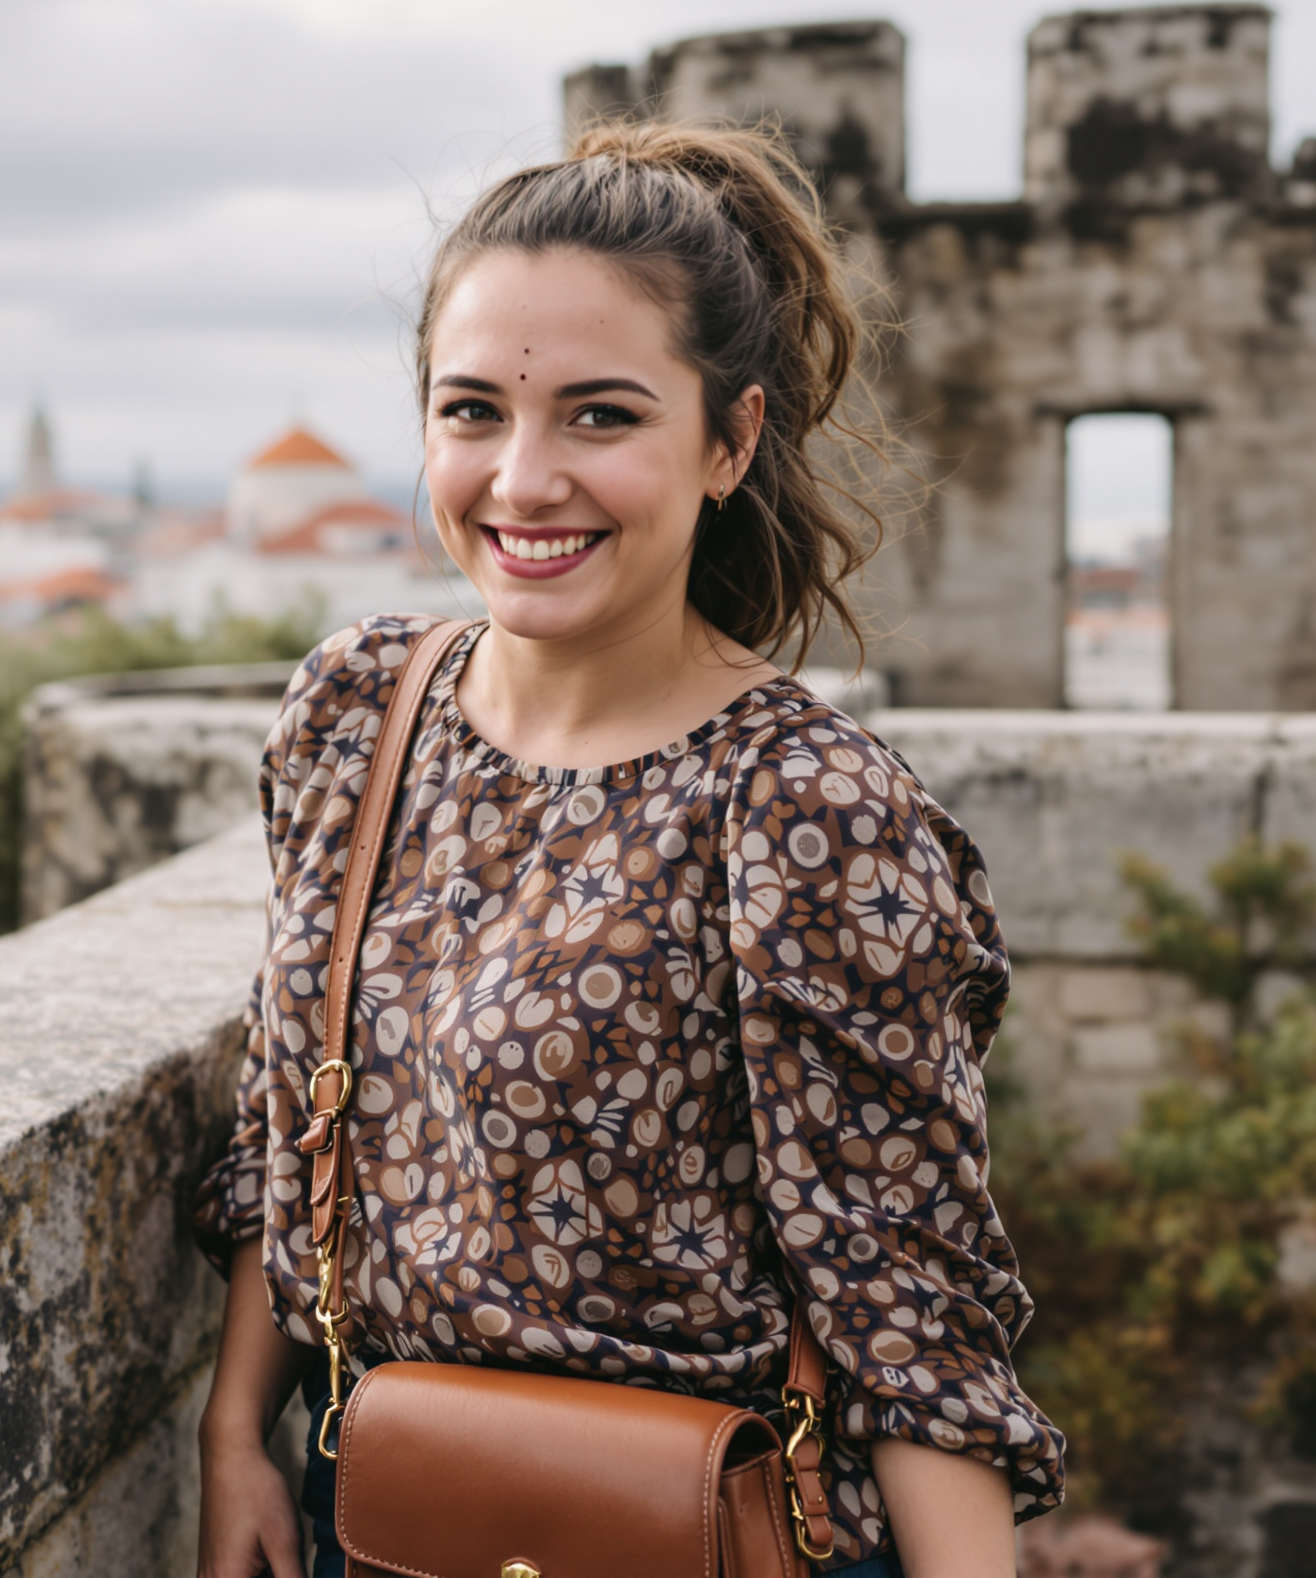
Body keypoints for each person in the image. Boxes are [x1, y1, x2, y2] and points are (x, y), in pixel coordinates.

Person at [191, 124, 1065, 1578]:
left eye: (600, 417)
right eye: (472, 411)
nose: (523, 481)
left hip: (714, 1539)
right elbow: (291, 1131)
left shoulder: (805, 806)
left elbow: (903, 1300)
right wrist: (237, 1442)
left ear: (729, 441)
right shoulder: (357, 715)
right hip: (395, 1520)